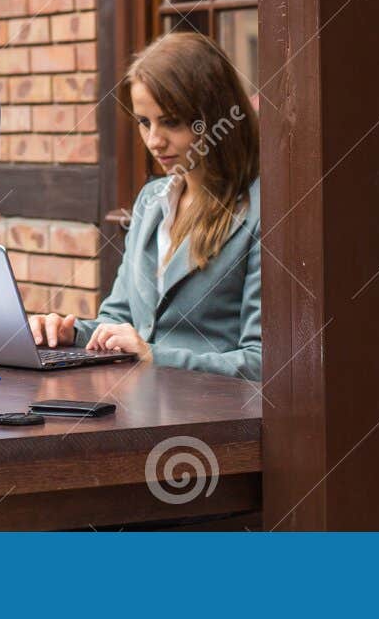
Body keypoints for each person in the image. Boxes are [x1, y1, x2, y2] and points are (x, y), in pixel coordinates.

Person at [30, 32, 260, 380]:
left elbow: (263, 363)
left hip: (211, 419)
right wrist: (70, 333)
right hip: (138, 411)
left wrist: (155, 355)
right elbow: (118, 320)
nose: (154, 141)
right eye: (144, 122)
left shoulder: (261, 212)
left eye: (171, 122)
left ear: (214, 116)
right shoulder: (152, 200)